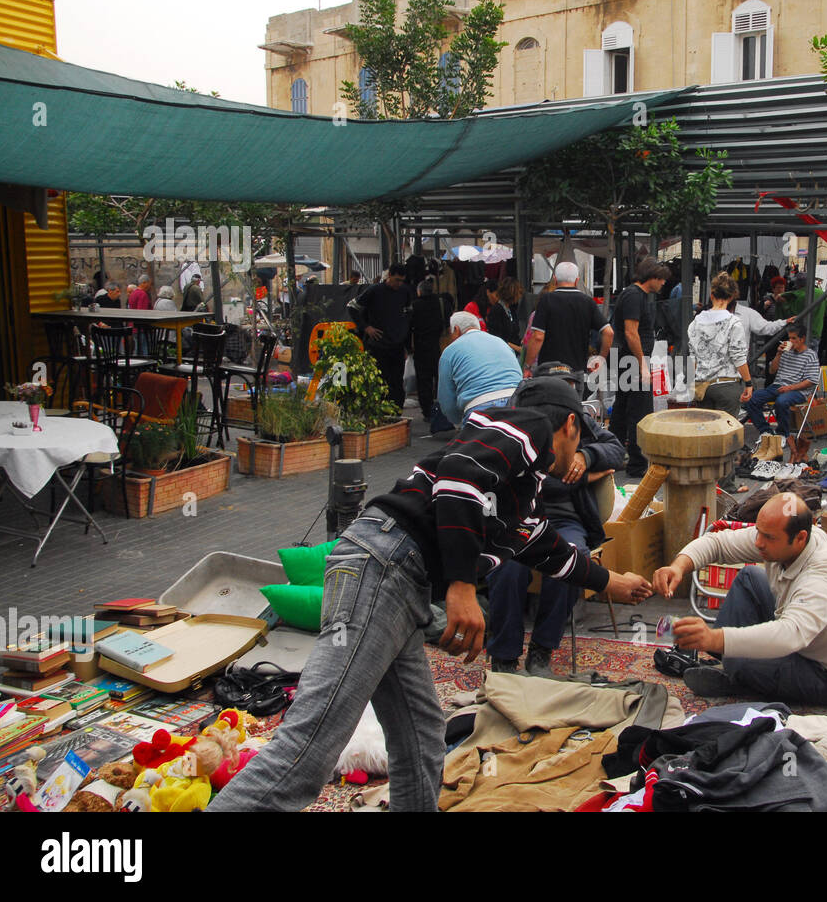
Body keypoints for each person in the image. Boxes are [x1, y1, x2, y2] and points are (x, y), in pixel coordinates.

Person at [206, 377, 653, 812]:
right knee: (310, 746)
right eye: (580, 438)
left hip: (397, 579)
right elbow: (458, 480)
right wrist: (461, 587)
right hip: (386, 567)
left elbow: (540, 544)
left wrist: (611, 582)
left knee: (420, 740)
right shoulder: (531, 429)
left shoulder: (520, 477)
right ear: (571, 425)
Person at [651, 493, 827, 704]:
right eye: (758, 532)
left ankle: (737, 674)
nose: (759, 542)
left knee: (738, 657)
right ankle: (737, 667)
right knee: (750, 577)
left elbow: (790, 634)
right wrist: (678, 567)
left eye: (768, 537)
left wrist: (713, 638)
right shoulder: (784, 538)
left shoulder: (824, 576)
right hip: (809, 642)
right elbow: (717, 543)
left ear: (800, 538)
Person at [486, 362, 626, 677]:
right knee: (506, 565)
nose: (569, 394)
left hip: (566, 520)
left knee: (571, 558)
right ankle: (504, 656)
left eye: (571, 386)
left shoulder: (580, 421)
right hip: (521, 518)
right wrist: (578, 477)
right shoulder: (516, 427)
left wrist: (585, 457)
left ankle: (542, 650)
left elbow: (617, 449)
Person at [688, 272, 752, 492]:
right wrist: (749, 382)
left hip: (703, 385)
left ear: (712, 294)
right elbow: (738, 356)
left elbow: (693, 356)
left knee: (705, 436)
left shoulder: (696, 322)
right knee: (726, 438)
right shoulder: (734, 322)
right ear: (731, 297)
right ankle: (727, 485)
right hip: (727, 384)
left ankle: (704, 481)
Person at [610, 259, 670, 478]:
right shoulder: (635, 296)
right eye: (661, 278)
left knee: (622, 408)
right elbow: (631, 332)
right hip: (633, 360)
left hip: (629, 359)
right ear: (652, 277)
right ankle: (637, 464)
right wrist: (643, 363)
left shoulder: (633, 294)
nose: (663, 283)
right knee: (640, 412)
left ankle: (614, 457)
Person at [524, 261, 613, 380]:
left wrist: (527, 366)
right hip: (576, 372)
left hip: (549, 371)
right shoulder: (587, 302)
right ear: (577, 280)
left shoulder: (546, 300)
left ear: (555, 280)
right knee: (575, 399)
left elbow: (538, 337)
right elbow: (609, 332)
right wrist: (601, 359)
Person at [437, 311, 523, 426]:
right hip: (516, 402)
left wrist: (457, 421)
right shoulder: (500, 342)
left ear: (456, 330)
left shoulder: (450, 352)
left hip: (480, 406)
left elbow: (447, 401)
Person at [349, 262, 412, 408]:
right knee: (380, 380)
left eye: (402, 281)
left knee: (396, 381)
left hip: (397, 344)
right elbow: (352, 307)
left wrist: (404, 338)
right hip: (378, 344)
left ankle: (396, 411)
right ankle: (381, 411)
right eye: (397, 280)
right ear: (389, 275)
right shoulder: (375, 290)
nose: (399, 284)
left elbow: (409, 313)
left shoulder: (405, 292)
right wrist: (366, 327)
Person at [744, 324, 820, 440]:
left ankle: (782, 434)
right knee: (751, 398)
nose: (790, 341)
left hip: (798, 391)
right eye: (789, 338)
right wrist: (778, 354)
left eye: (794, 338)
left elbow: (811, 381)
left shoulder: (810, 355)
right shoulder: (786, 352)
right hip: (778, 386)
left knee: (782, 401)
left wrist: (789, 388)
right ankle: (765, 431)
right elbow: (772, 370)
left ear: (802, 339)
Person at [410, 276, 453, 415]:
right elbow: (448, 322)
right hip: (441, 346)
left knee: (424, 381)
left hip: (421, 347)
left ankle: (427, 411)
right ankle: (444, 407)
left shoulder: (415, 306)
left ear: (419, 292)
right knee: (443, 377)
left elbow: (409, 327)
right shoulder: (442, 302)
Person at [485, 277, 524, 356]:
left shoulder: (511, 309)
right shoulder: (496, 310)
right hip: (504, 353)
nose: (520, 296)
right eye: (519, 293)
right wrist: (518, 348)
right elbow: (496, 337)